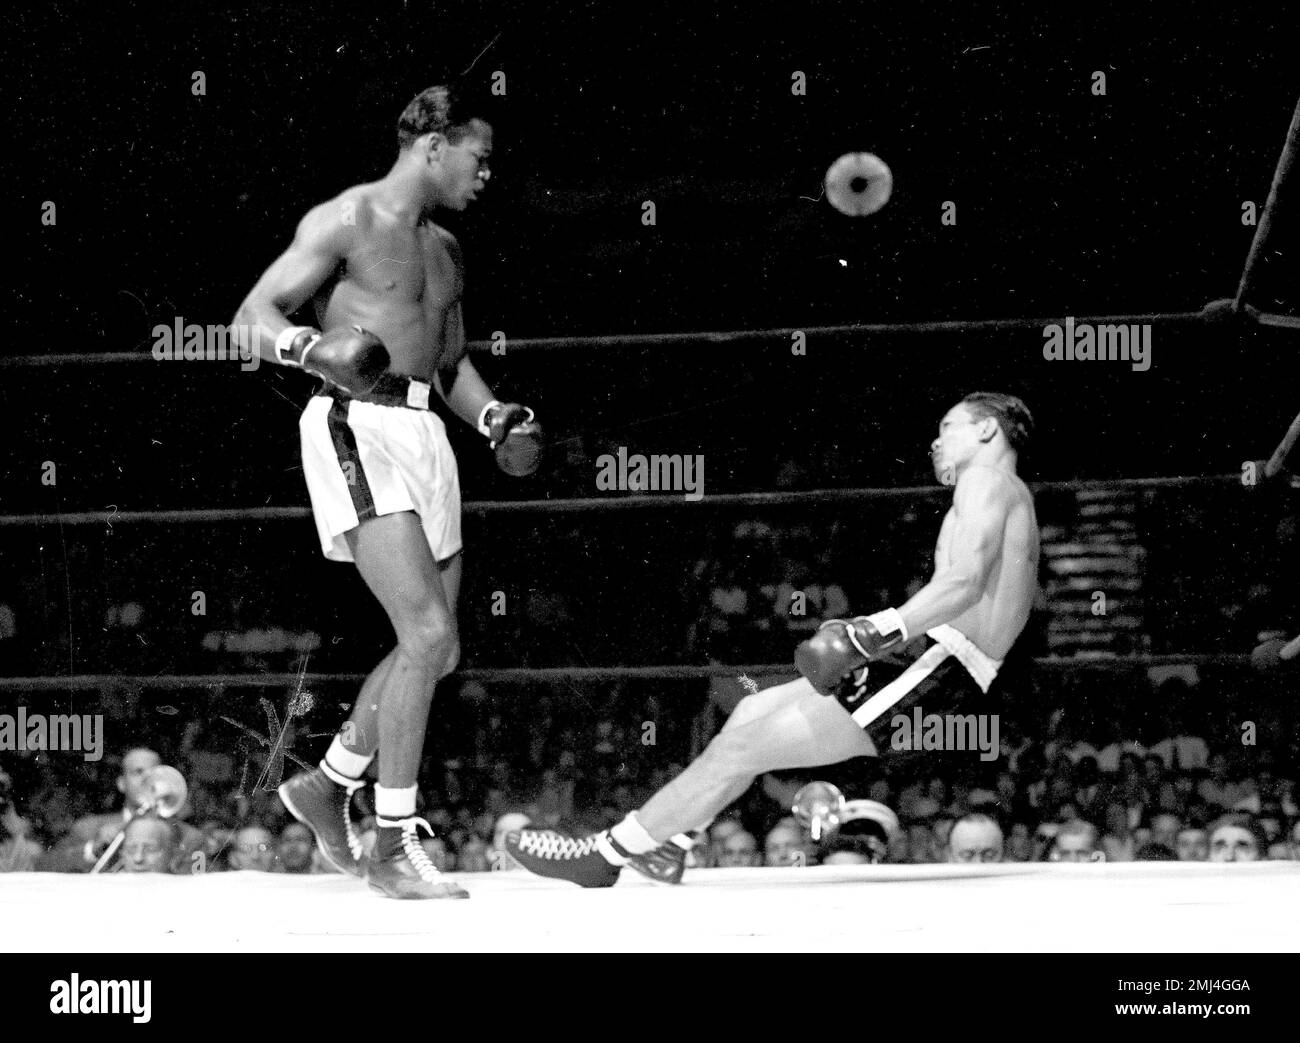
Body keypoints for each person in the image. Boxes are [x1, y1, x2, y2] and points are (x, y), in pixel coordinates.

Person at [508, 392, 1038, 885]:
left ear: (988, 430)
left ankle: (607, 855)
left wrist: (872, 632)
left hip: (938, 671)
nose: (937, 441)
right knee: (748, 716)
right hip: (932, 664)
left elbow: (964, 583)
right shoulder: (1008, 495)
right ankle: (670, 839)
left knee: (742, 747)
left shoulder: (988, 482)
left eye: (949, 427)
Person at [234, 84, 540, 900]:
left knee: (435, 648)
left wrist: (495, 418)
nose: (487, 174)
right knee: (428, 628)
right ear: (434, 145)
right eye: (480, 157)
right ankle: (392, 842)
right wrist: (307, 346)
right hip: (354, 420)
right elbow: (250, 314)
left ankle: (329, 784)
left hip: (423, 433)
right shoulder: (350, 217)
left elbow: (449, 366)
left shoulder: (446, 248)